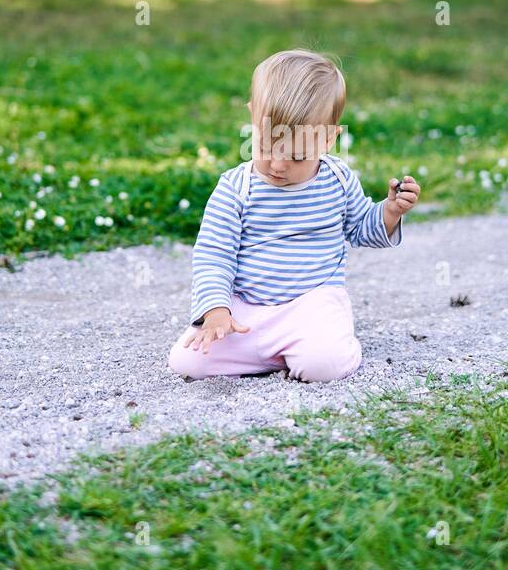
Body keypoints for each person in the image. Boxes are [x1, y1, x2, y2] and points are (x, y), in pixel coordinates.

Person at [168, 49, 421, 382]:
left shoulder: (337, 180)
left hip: (311, 305)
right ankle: (275, 352)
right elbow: (214, 257)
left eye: (298, 156)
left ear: (330, 138)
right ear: (252, 117)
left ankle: (318, 344)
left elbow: (362, 230)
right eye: (266, 146)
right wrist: (216, 312)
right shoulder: (236, 188)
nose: (277, 165)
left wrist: (389, 212)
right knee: (188, 362)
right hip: (247, 308)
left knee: (323, 366)